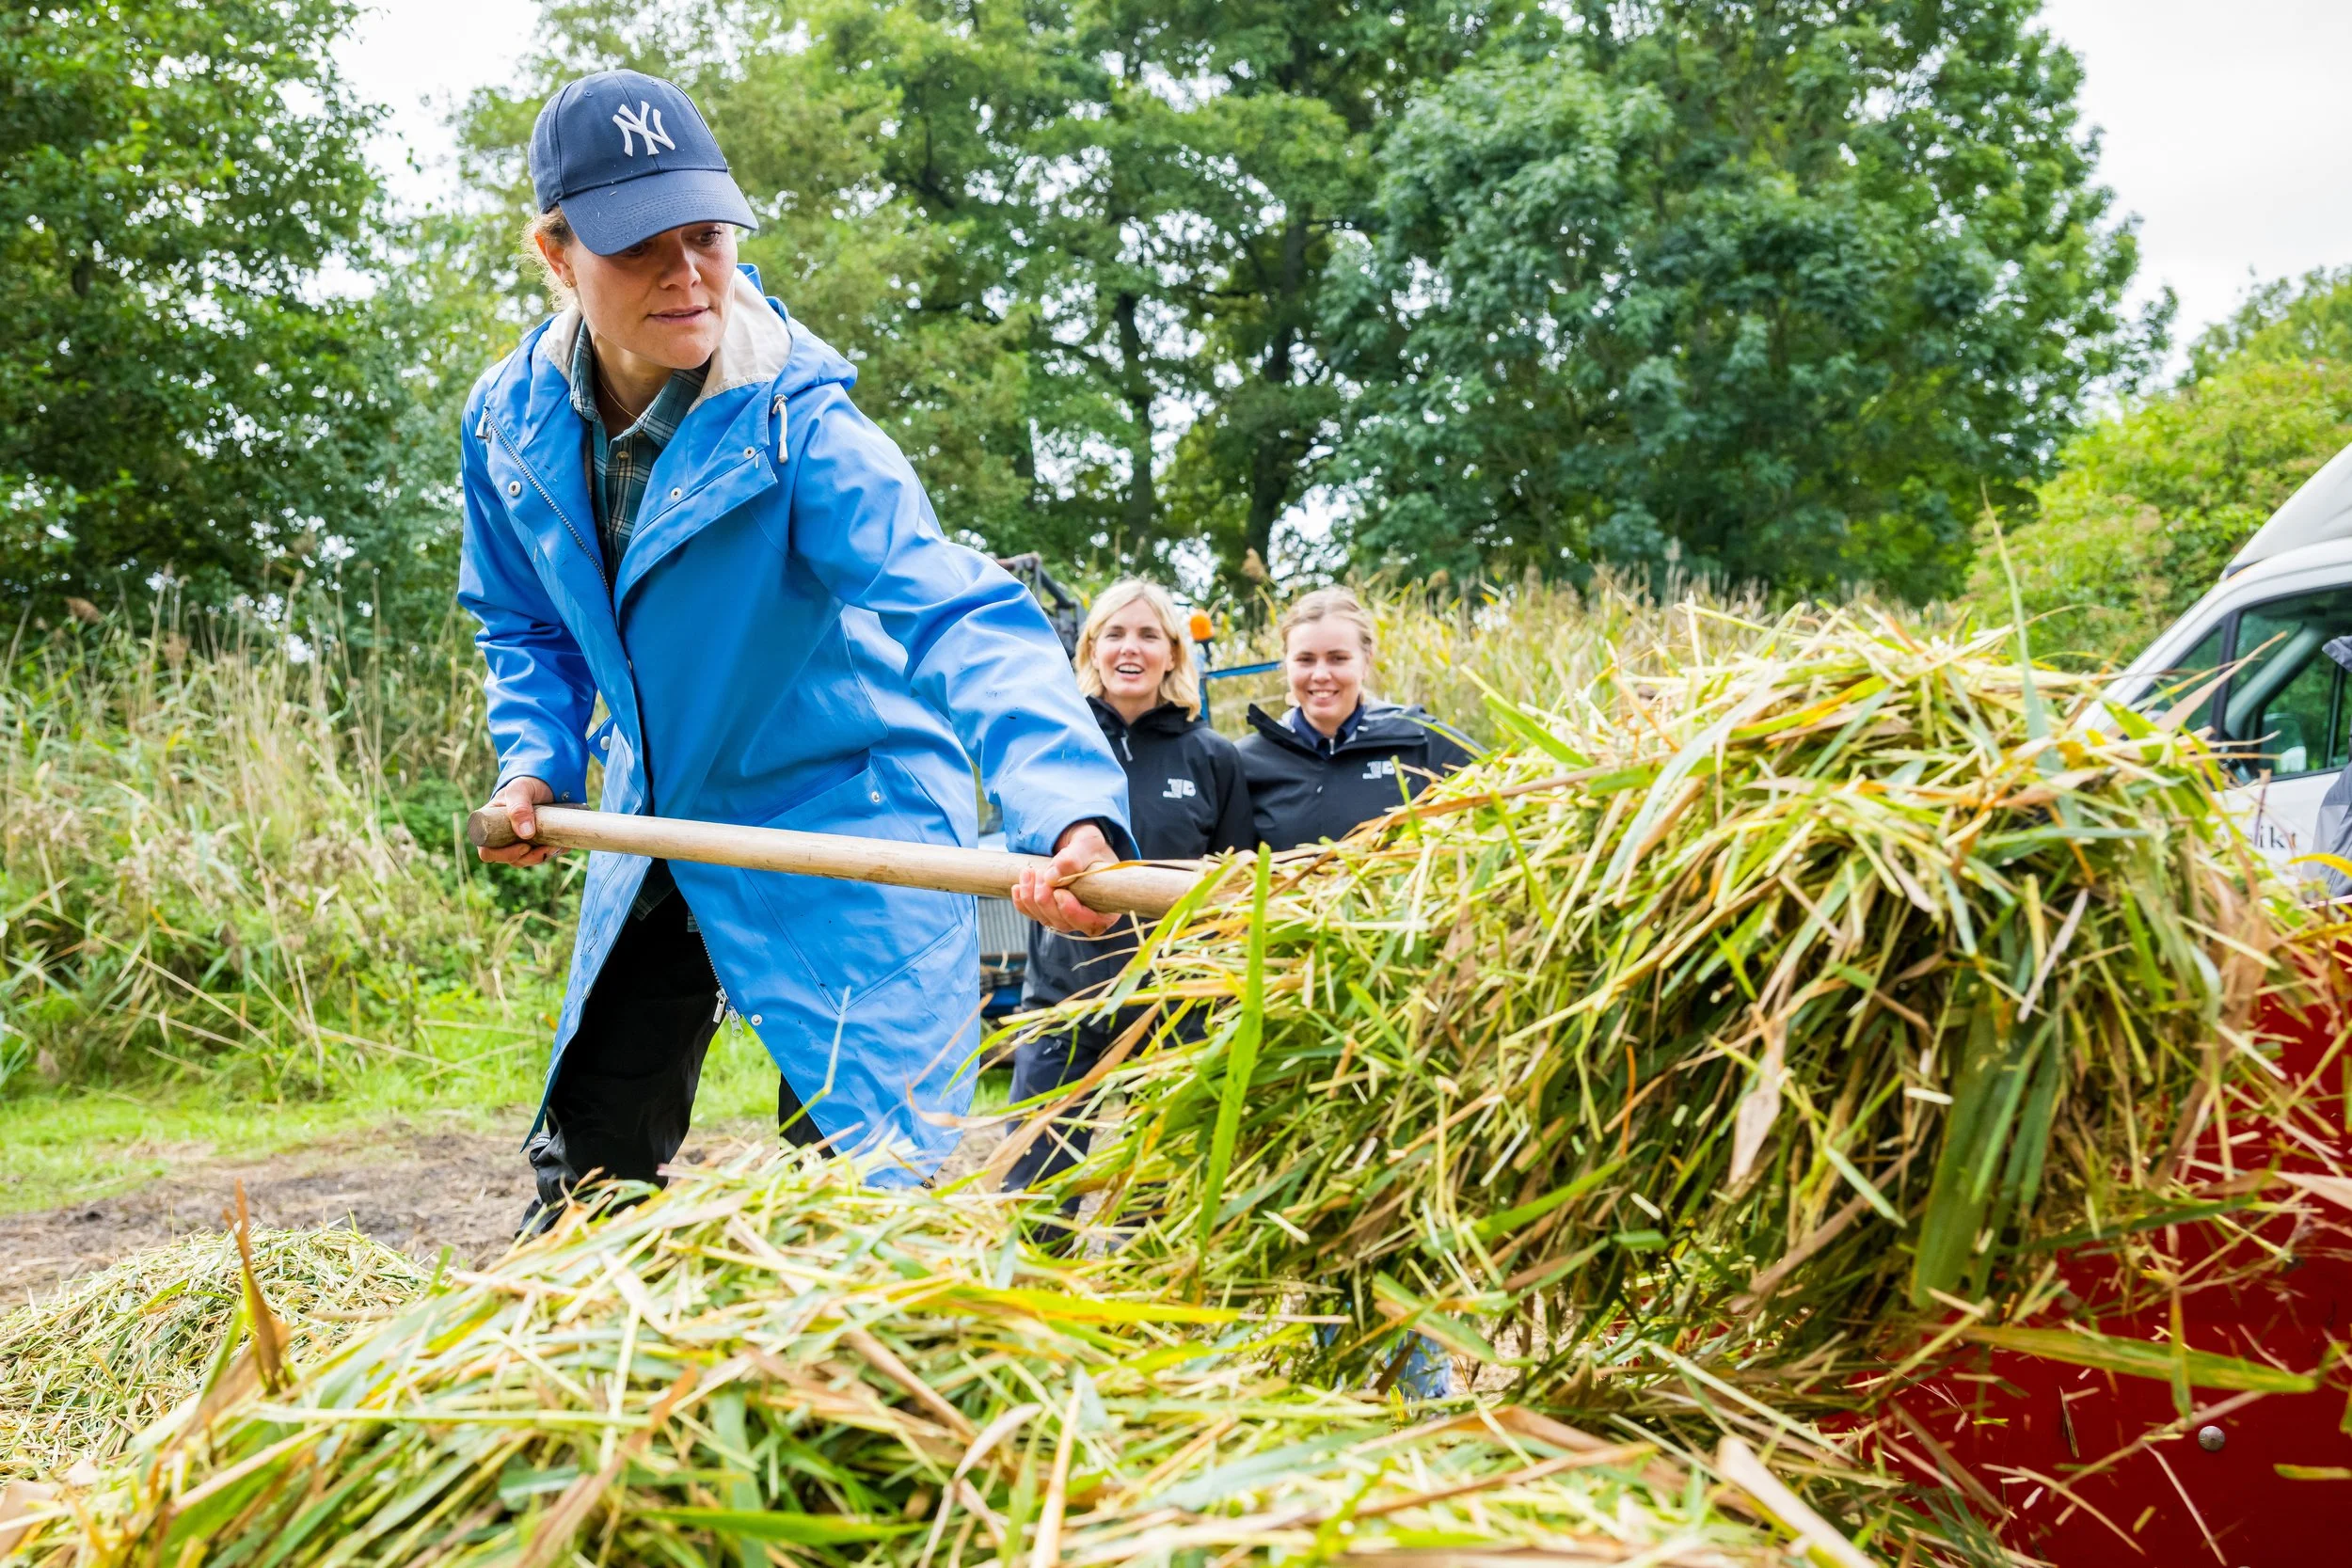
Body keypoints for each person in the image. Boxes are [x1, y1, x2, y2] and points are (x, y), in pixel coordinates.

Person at [459, 69, 1133, 1223]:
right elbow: (522, 622)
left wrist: (1067, 805)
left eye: (707, 235)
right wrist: (538, 758)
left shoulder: (800, 424)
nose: (686, 275)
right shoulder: (507, 423)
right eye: (638, 247)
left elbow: (956, 611)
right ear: (555, 252)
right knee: (587, 1173)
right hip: (658, 812)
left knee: (859, 1197)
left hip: (846, 815)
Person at [1005, 582, 1254, 1227]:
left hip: (1174, 1010)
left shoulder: (1213, 757)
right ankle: (1035, 1314)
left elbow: (1236, 889)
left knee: (1157, 1204)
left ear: (1174, 653)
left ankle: (1139, 1323)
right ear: (1091, 648)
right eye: (1114, 634)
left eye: (1148, 635)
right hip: (1063, 997)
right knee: (1034, 1199)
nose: (1130, 648)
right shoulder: (1056, 743)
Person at [1237, 587, 1476, 849]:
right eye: (1305, 660)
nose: (1320, 675)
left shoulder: (1422, 740)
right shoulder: (1244, 761)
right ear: (1286, 663)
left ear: (1366, 661)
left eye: (1338, 659)